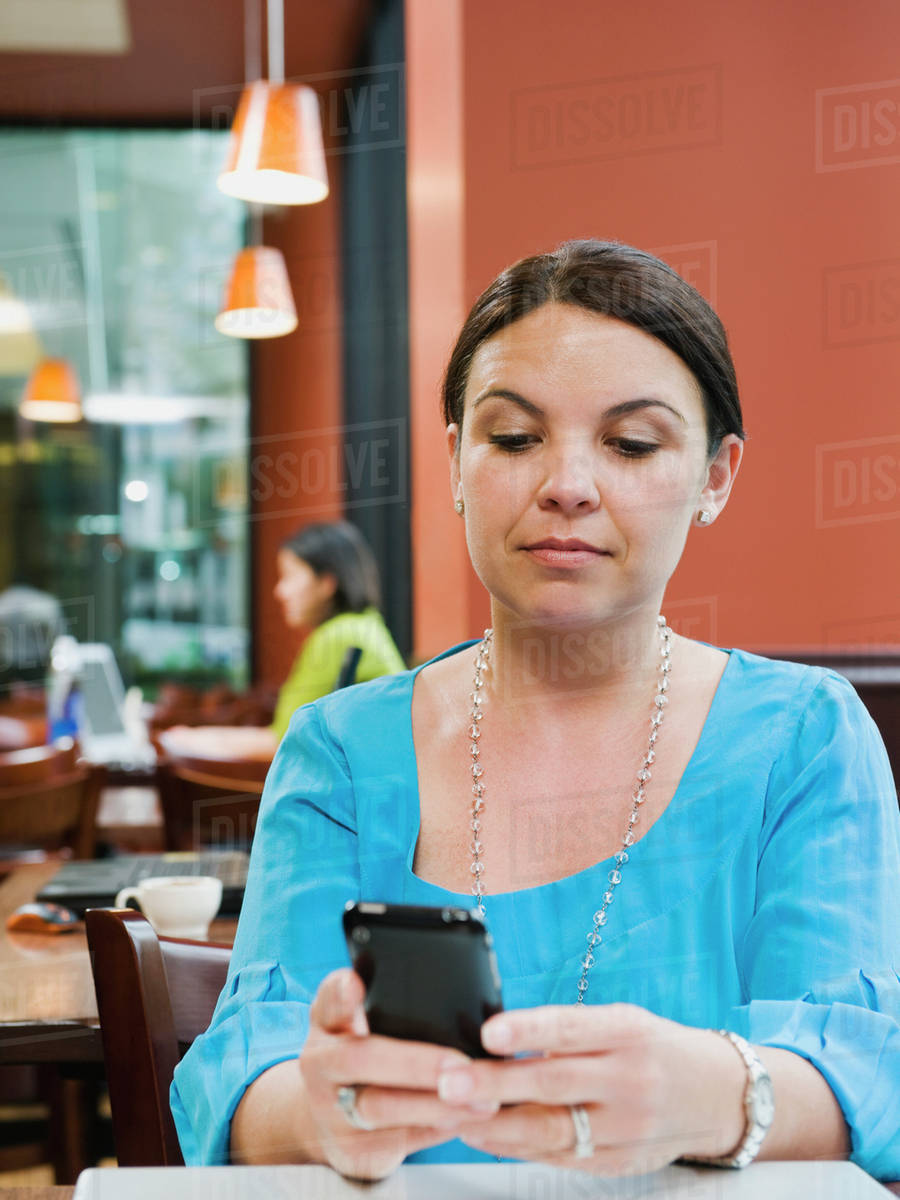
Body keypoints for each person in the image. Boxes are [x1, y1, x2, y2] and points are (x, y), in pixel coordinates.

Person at [171, 241, 900, 1183]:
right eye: (514, 438)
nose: (567, 483)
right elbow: (244, 1075)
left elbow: (862, 1073)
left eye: (632, 443)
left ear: (716, 476)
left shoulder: (804, 737)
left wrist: (716, 1090)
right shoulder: (339, 754)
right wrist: (321, 1110)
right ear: (454, 460)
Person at [162, 521, 405, 759]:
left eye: (289, 576)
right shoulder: (362, 626)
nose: (280, 591)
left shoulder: (340, 635)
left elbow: (286, 742)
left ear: (326, 583)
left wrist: (186, 740)